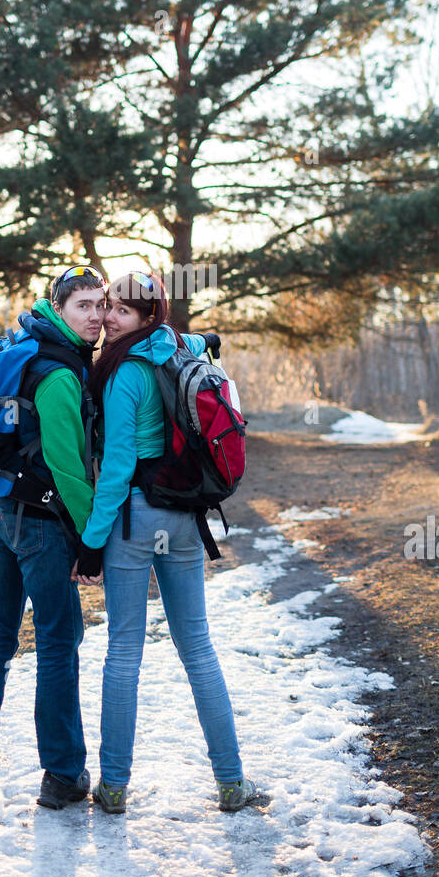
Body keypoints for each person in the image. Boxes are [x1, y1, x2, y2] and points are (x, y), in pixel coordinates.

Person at [73, 271, 258, 814]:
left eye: (122, 312)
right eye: (108, 308)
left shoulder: (125, 372)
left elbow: (117, 468)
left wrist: (91, 541)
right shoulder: (176, 347)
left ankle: (113, 787)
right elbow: (198, 341)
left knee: (124, 652)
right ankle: (231, 783)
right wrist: (208, 341)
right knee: (197, 648)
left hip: (134, 519)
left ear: (147, 318)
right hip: (183, 516)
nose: (109, 318)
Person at [0, 266, 106, 809]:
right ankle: (63, 774)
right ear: (58, 307)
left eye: (99, 304)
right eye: (82, 305)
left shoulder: (23, 343)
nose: (93, 316)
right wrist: (92, 539)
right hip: (39, 524)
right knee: (58, 643)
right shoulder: (59, 374)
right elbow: (68, 468)